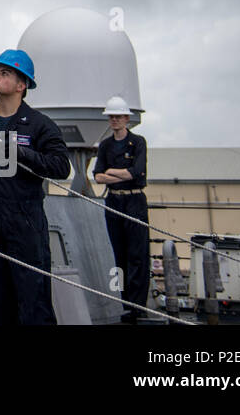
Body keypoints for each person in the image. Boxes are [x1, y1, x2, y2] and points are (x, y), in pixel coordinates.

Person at [0, 48, 70, 325]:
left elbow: (60, 167)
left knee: (35, 308)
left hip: (26, 229)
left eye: (5, 73)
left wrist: (21, 153)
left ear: (21, 85)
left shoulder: (40, 126)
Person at [93, 95, 149, 323]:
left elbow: (136, 173)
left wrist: (112, 173)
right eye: (112, 117)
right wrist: (122, 172)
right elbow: (98, 176)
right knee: (120, 255)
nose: (115, 120)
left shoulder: (138, 142)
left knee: (137, 255)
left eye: (118, 116)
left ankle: (139, 306)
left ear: (127, 118)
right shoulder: (105, 145)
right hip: (114, 202)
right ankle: (126, 303)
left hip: (134, 202)